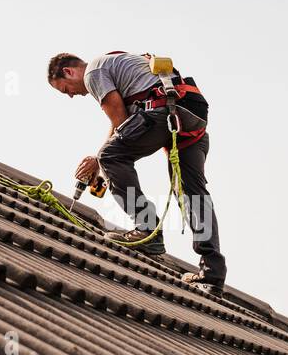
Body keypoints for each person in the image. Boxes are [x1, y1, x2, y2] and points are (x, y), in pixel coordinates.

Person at [47, 51, 227, 294]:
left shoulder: (93, 73)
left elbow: (120, 120)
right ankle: (212, 273)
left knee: (110, 156)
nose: (70, 95)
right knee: (192, 194)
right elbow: (125, 127)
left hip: (163, 113)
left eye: (64, 89)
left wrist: (98, 160)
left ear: (69, 72)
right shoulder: (122, 61)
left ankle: (147, 230)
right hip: (191, 118)